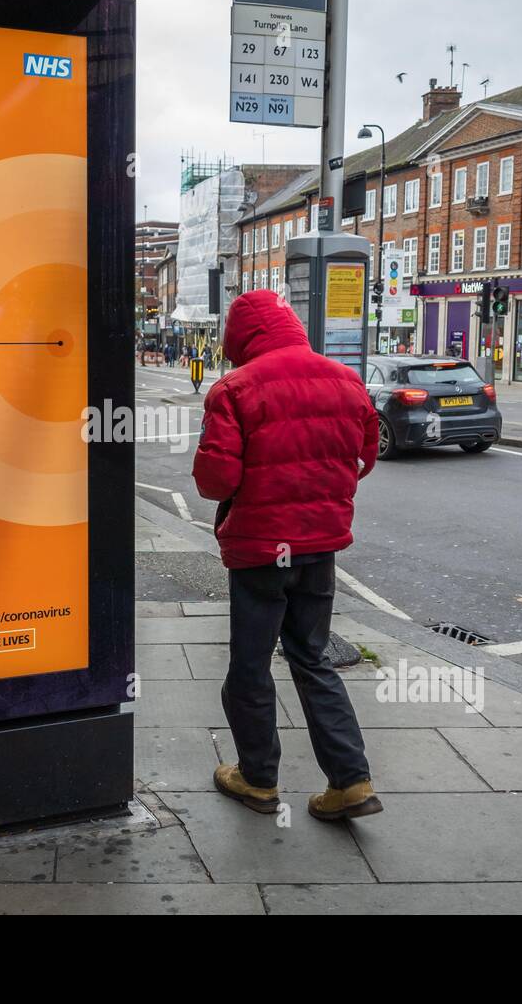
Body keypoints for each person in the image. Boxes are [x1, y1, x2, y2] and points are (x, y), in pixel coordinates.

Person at [192, 288, 382, 822]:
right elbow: (364, 459)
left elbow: (216, 480)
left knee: (251, 665)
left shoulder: (234, 388)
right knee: (312, 657)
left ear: (240, 337)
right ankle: (350, 780)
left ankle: (257, 779)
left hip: (259, 549)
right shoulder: (346, 380)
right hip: (319, 546)